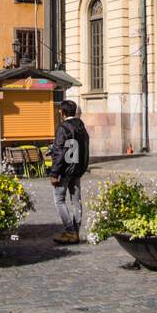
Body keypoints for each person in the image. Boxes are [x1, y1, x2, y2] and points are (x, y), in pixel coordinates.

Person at [48, 100, 90, 244]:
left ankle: (70, 231)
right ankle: (76, 232)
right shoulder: (82, 128)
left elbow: (59, 152)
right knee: (76, 201)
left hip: (64, 170)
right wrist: (83, 168)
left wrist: (54, 173)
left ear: (63, 112)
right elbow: (85, 150)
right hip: (77, 170)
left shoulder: (63, 128)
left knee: (59, 200)